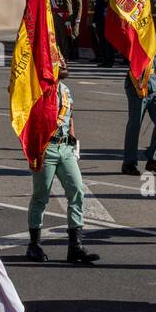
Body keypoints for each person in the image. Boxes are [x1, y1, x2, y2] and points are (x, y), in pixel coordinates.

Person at [25, 58, 100, 265]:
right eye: (61, 62)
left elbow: (70, 115)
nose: (66, 65)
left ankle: (75, 247)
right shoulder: (39, 91)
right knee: (41, 196)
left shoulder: (65, 90)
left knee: (77, 191)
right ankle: (34, 245)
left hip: (65, 148)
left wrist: (74, 141)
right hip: (45, 150)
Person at [122, 54, 156, 176]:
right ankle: (129, 163)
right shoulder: (132, 35)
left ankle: (152, 159)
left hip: (154, 86)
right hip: (136, 85)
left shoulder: (152, 36)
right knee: (135, 124)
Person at [90, 0, 113, 66]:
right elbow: (97, 8)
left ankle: (110, 60)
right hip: (100, 19)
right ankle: (104, 60)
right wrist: (94, 20)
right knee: (101, 41)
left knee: (108, 41)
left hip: (108, 20)